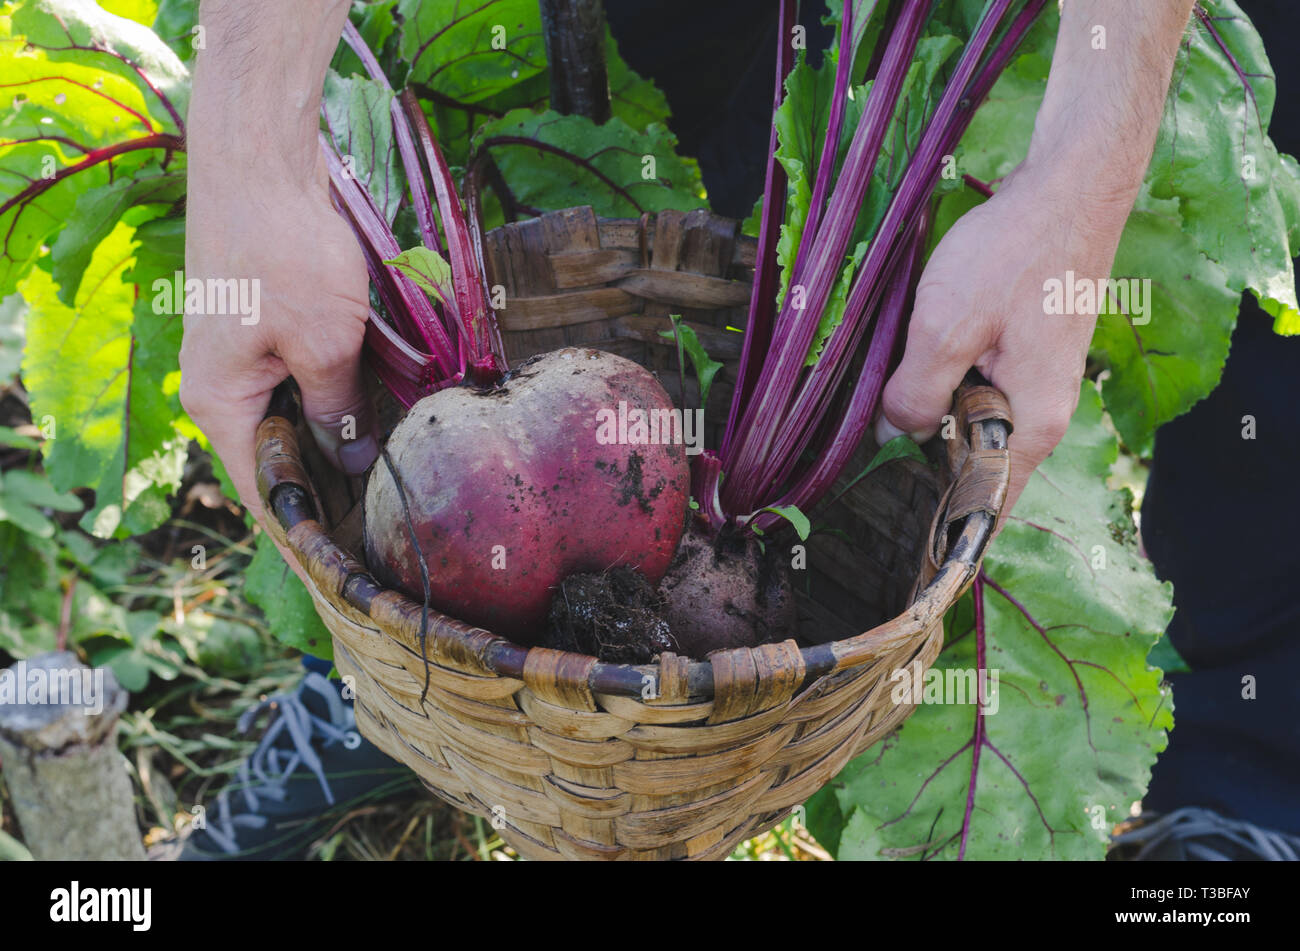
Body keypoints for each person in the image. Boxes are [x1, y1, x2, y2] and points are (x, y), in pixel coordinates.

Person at [180, 0, 1293, 859]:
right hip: (503, 470)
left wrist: (1077, 183)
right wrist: (251, 156)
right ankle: (412, 678)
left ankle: (1246, 781)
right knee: (735, 146)